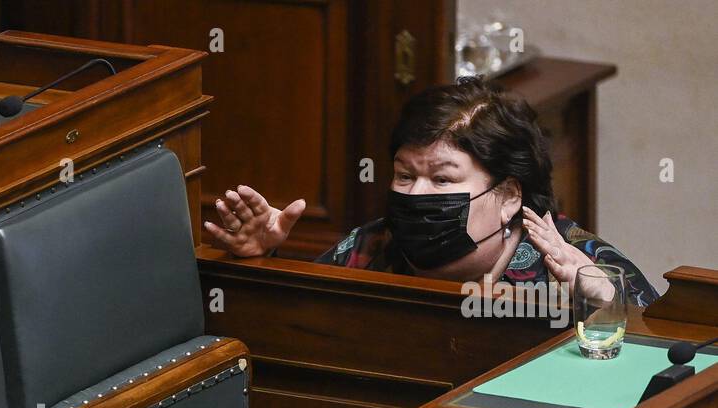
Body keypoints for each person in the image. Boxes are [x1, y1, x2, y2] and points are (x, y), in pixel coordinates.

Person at [205, 77, 658, 307]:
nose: (417, 195)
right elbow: (294, 330)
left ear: (508, 197)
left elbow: (673, 370)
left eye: (442, 180)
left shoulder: (574, 263)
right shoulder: (370, 247)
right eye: (405, 176)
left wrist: (604, 303)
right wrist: (260, 262)